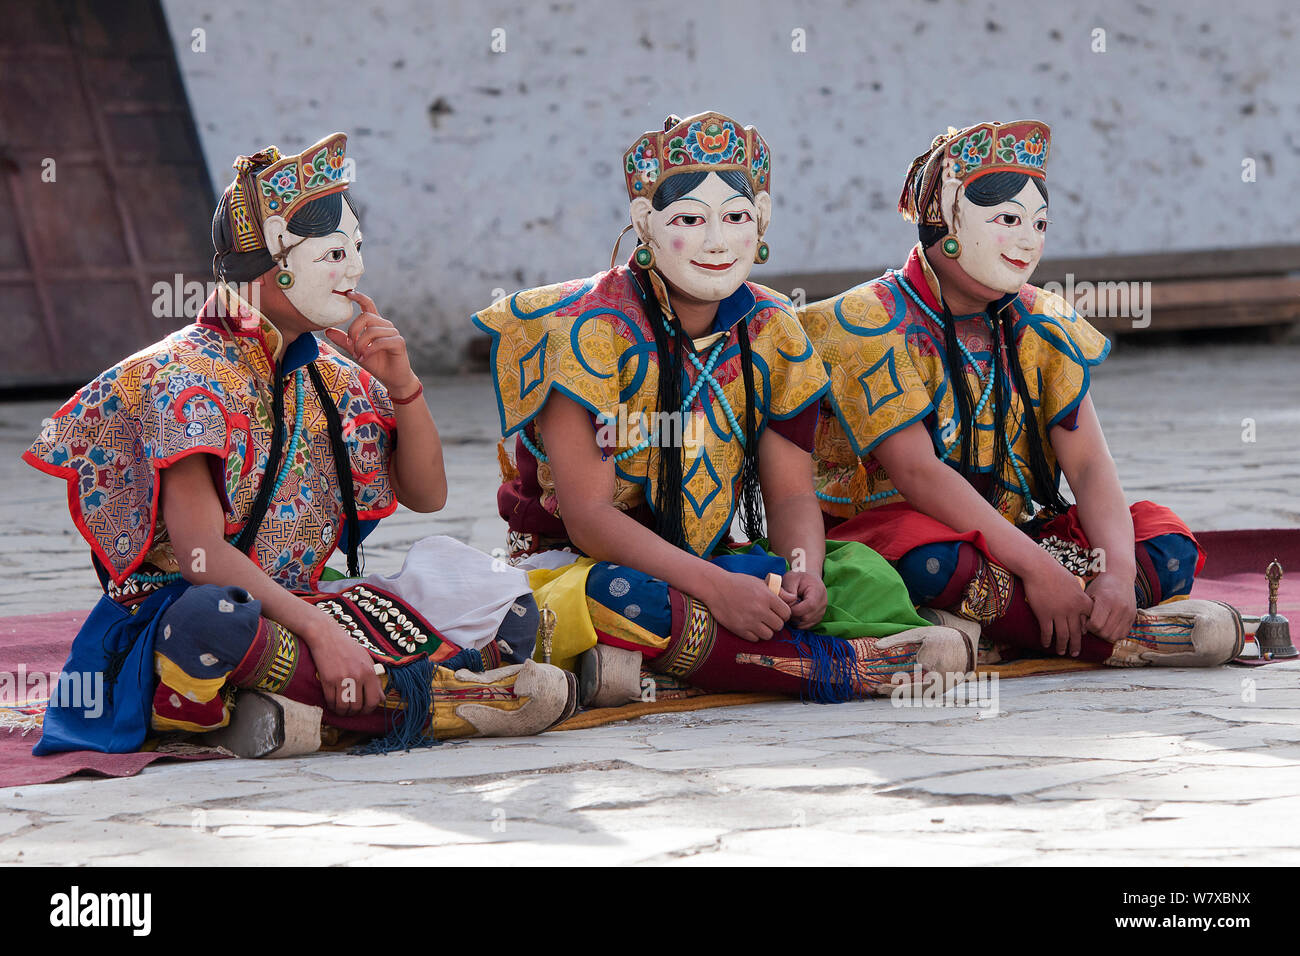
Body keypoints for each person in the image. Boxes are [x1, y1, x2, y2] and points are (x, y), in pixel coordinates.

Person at [25, 133, 576, 758]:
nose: (355, 270)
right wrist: (322, 632)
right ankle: (437, 702)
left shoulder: (333, 377)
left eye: (358, 250)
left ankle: (272, 709)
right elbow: (201, 557)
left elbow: (427, 495)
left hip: (306, 598)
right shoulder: (183, 377)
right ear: (270, 259)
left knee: (500, 602)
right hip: (193, 607)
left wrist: (404, 387)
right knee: (217, 621)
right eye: (333, 253)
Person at [474, 112, 972, 706]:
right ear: (645, 225)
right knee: (626, 598)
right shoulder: (580, 331)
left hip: (714, 559)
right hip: (586, 564)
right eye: (689, 220)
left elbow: (789, 496)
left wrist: (802, 571)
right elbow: (589, 517)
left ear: (761, 220)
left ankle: (675, 666)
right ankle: (838, 667)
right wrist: (715, 586)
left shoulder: (771, 329)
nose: (716, 240)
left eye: (735, 218)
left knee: (860, 575)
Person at [800, 120, 1242, 668]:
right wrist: (1040, 570)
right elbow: (916, 473)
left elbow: (1088, 467)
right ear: (948, 221)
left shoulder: (1042, 320)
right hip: (896, 538)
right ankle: (1122, 639)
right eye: (1007, 220)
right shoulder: (866, 322)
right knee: (932, 561)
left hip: (1011, 538)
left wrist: (1117, 575)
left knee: (1163, 539)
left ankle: (1001, 629)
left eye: (1039, 222)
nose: (1028, 239)